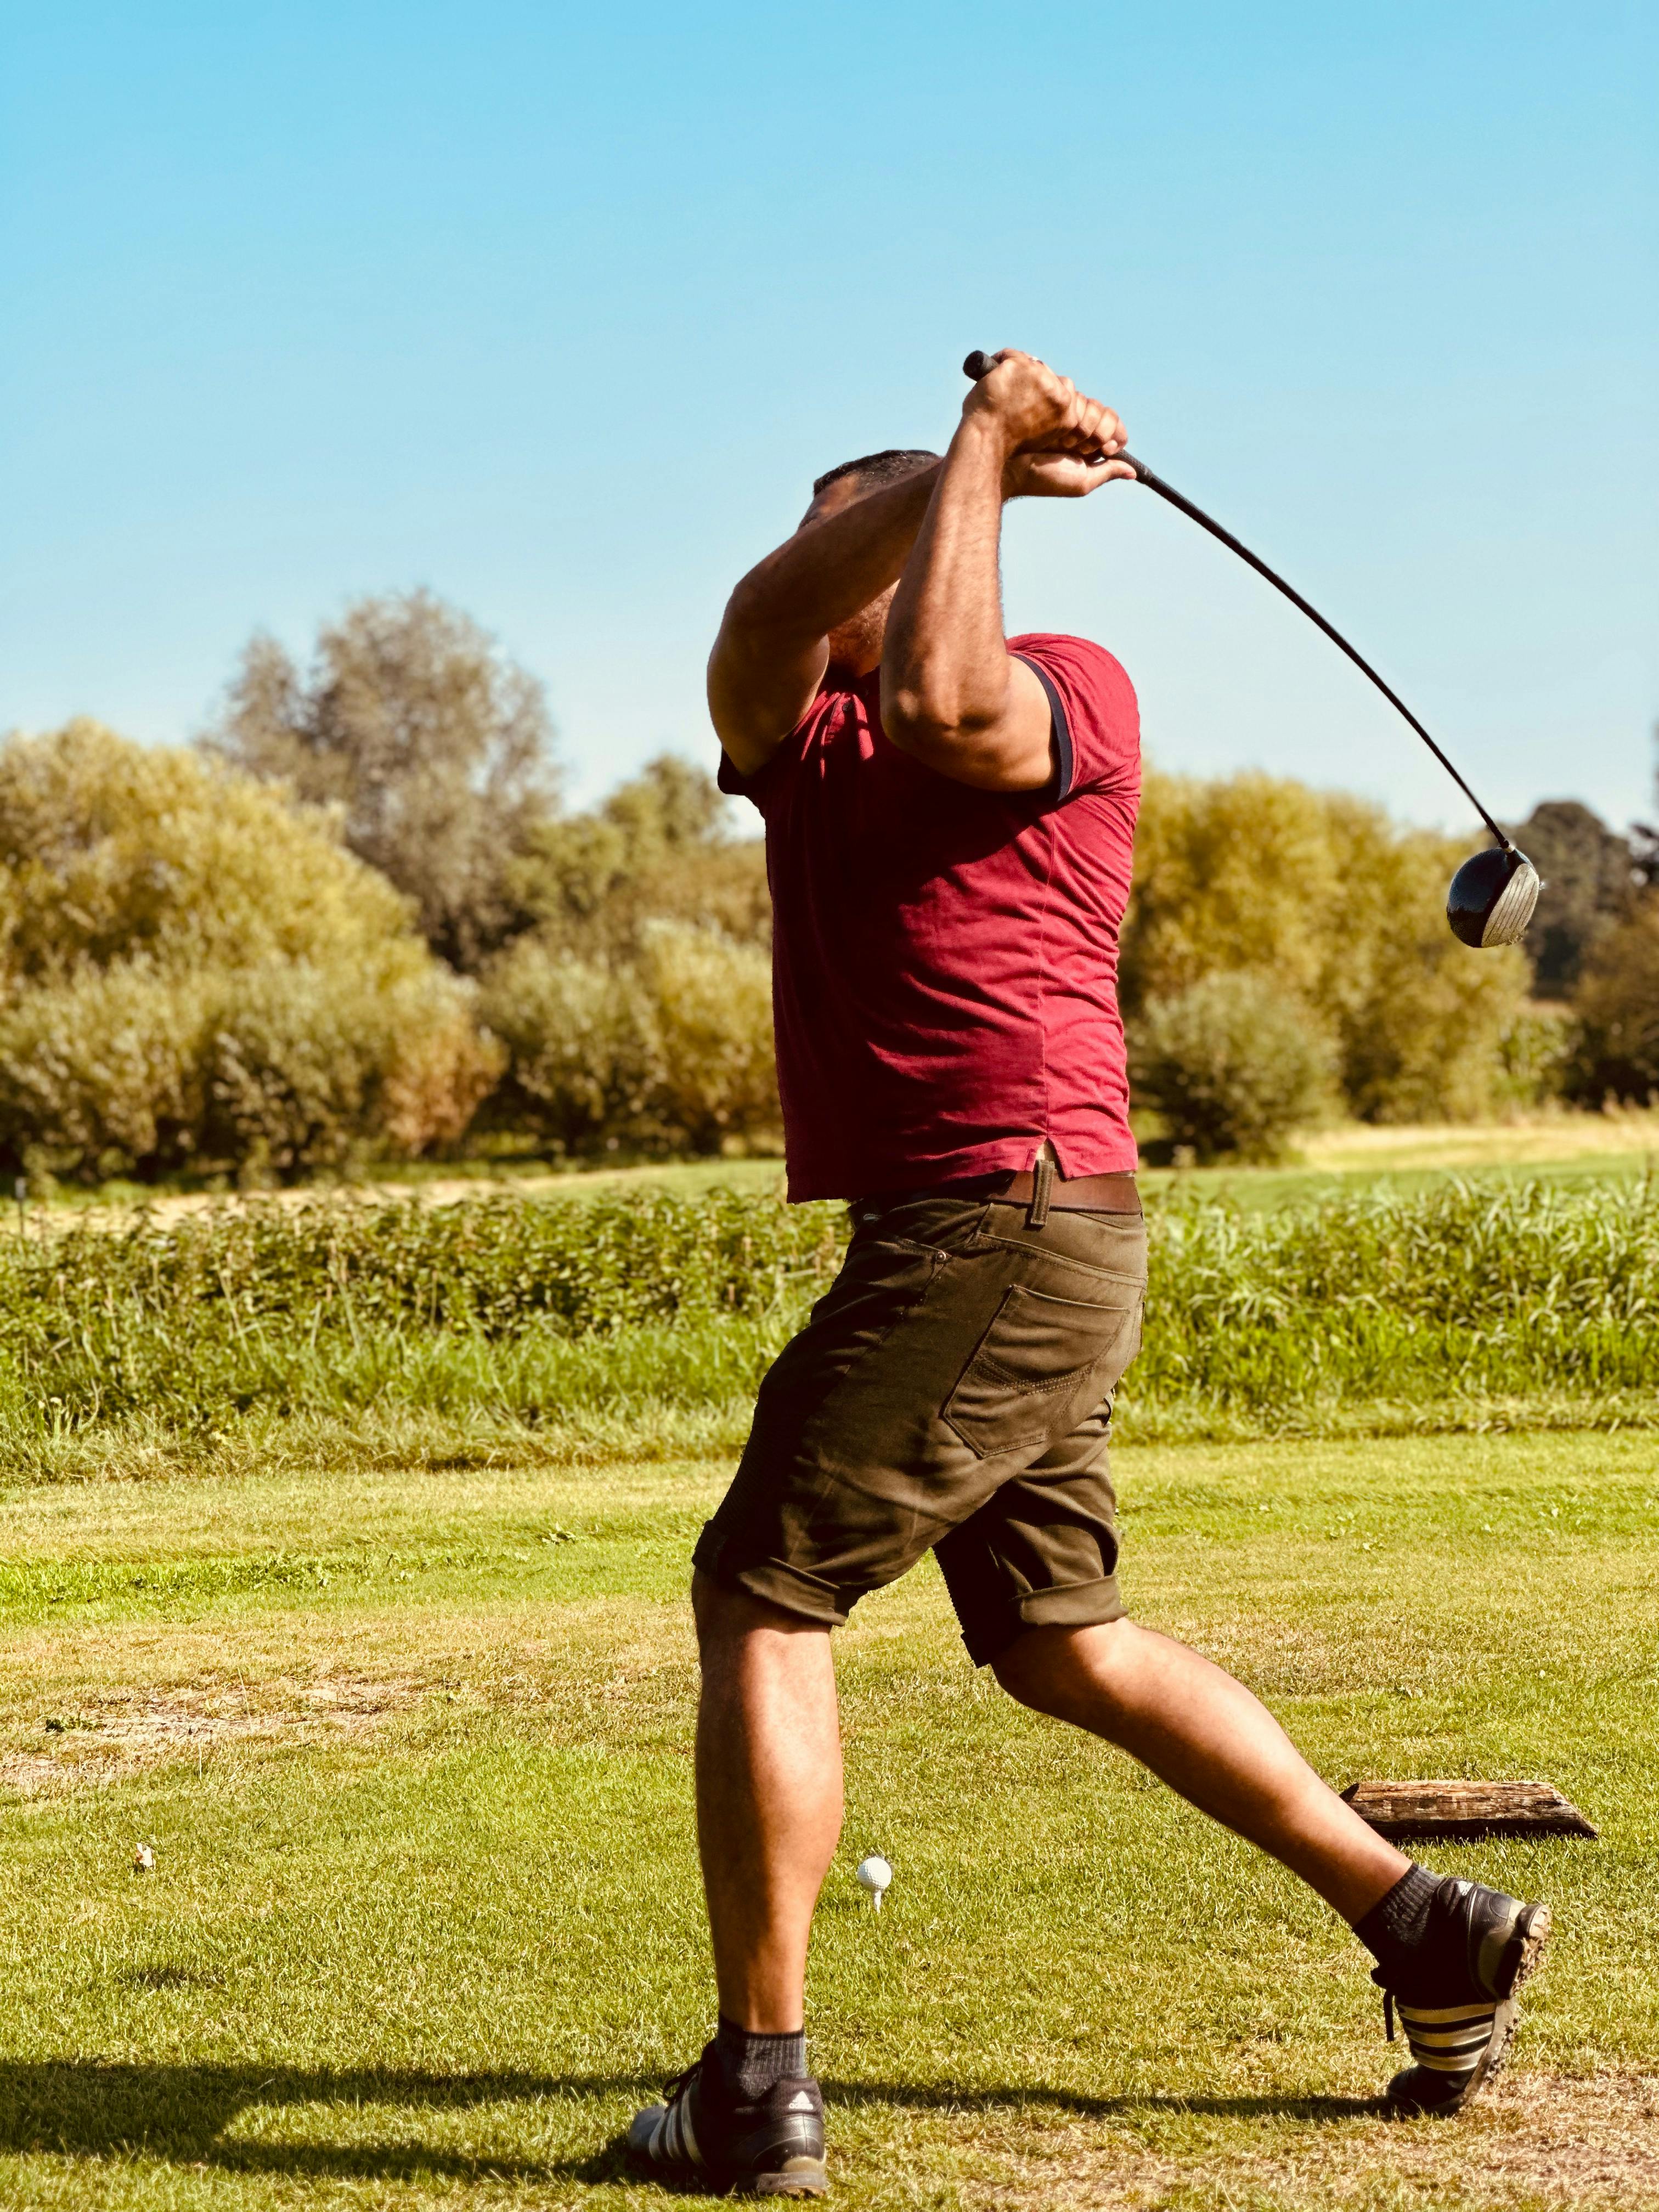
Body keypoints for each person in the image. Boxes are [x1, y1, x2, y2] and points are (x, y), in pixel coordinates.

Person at [629, 351, 1551, 2197]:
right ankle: (1424, 1923)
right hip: (1010, 1229)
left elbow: (946, 697)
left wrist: (978, 452)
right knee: (1064, 1643)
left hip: (1004, 1215)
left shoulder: (1067, 689)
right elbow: (761, 625)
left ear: (943, 547)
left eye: (859, 539)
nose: (818, 574)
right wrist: (948, 478)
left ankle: (756, 2085)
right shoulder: (790, 738)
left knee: (765, 1586)